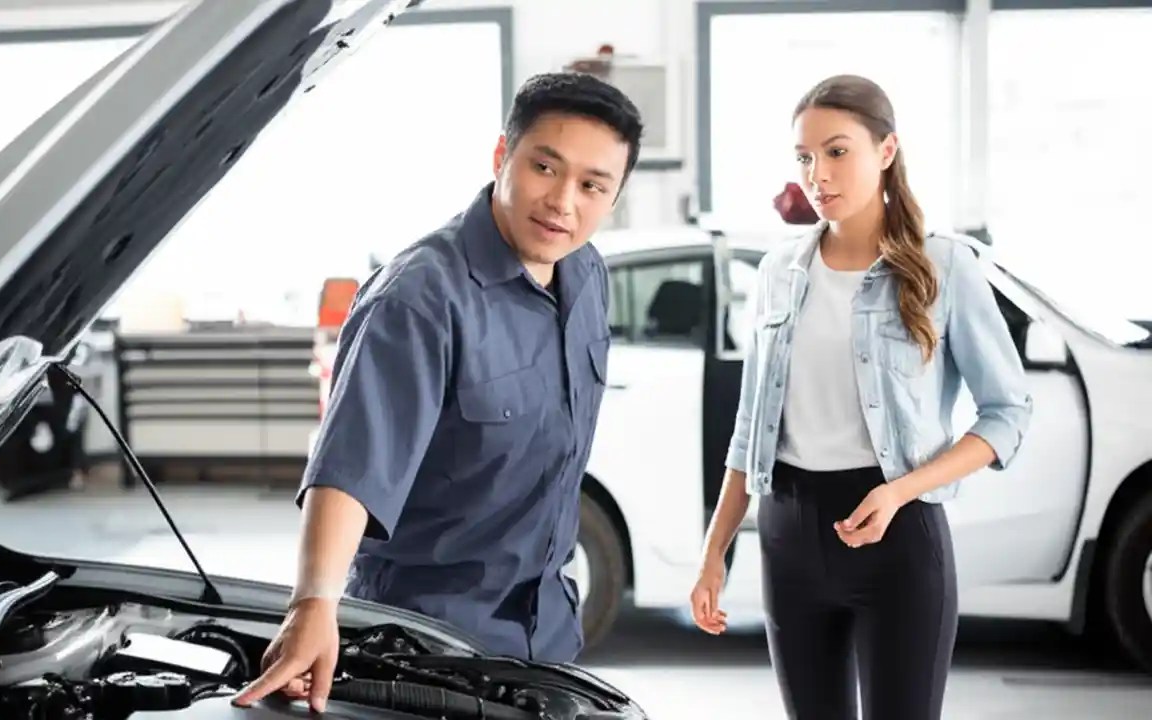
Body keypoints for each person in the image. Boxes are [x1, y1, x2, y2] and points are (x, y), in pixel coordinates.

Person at [233, 72, 642, 711]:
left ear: (613, 197)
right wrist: (314, 603)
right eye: (544, 167)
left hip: (546, 640)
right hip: (421, 646)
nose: (563, 202)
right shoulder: (420, 297)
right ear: (502, 155)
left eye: (592, 185)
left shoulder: (586, 274)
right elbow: (352, 469)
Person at [689, 74, 1031, 720]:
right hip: (788, 539)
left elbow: (1008, 412)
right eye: (804, 157)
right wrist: (714, 553)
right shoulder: (778, 272)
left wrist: (900, 491)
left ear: (887, 150)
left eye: (837, 151)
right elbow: (750, 428)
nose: (817, 174)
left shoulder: (943, 266)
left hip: (899, 541)